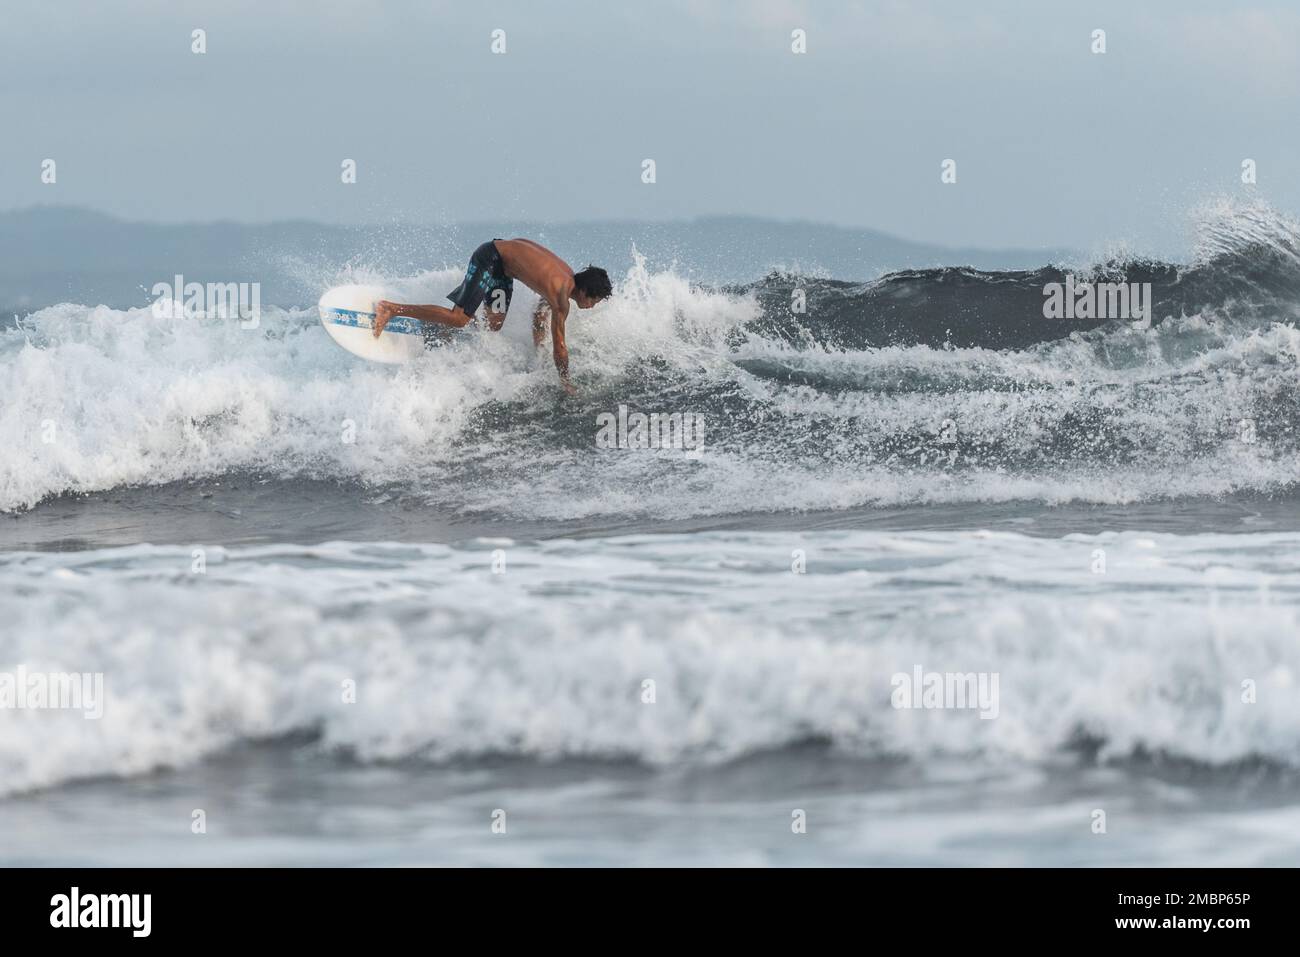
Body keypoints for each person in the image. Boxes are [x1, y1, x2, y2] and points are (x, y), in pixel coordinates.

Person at [372, 239, 612, 395]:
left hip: (503, 270)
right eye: (594, 300)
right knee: (460, 318)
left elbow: (540, 313)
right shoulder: (561, 298)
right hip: (491, 258)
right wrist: (565, 381)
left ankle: (441, 328)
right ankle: (392, 309)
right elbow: (560, 346)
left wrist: (538, 353)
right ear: (583, 291)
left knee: (493, 325)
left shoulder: (566, 280)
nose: (592, 306)